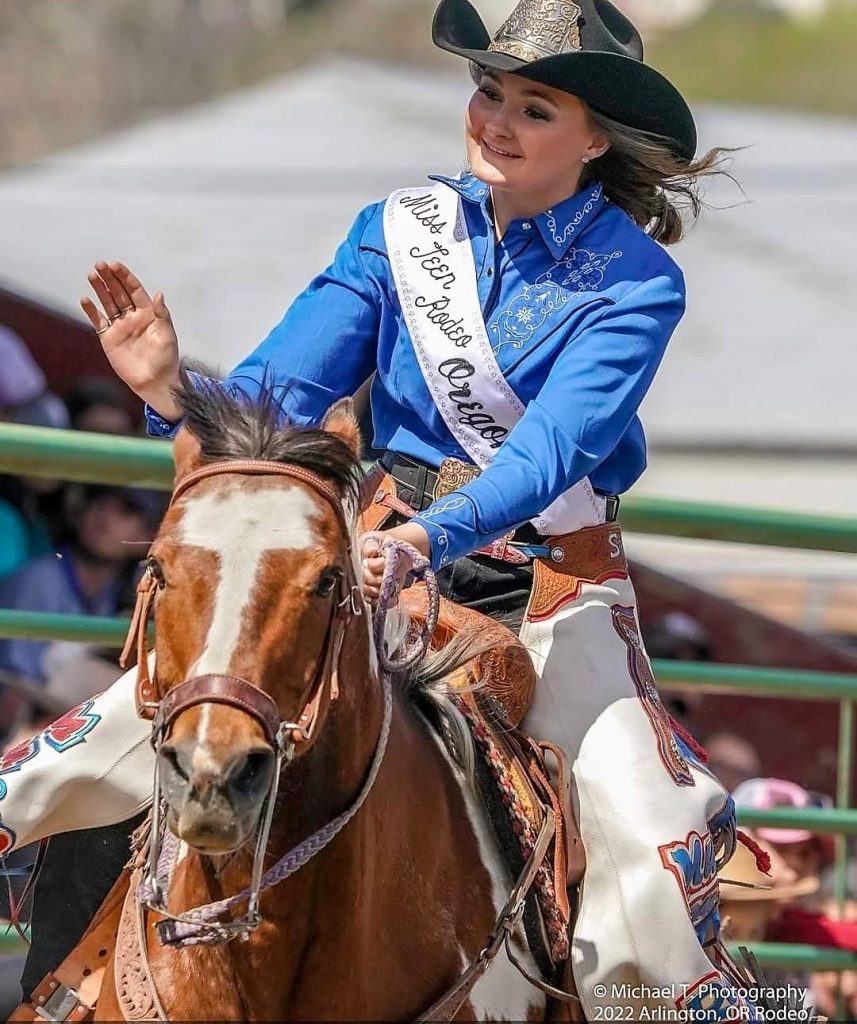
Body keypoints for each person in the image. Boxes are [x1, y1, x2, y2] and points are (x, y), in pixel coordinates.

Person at [4, 0, 756, 1018]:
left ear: (593, 140)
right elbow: (277, 398)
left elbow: (548, 455)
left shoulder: (636, 284)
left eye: (533, 108)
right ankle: (68, 986)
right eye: (487, 92)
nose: (494, 120)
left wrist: (423, 533)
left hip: (548, 587)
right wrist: (171, 392)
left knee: (644, 838)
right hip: (356, 571)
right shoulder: (398, 233)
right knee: (104, 739)